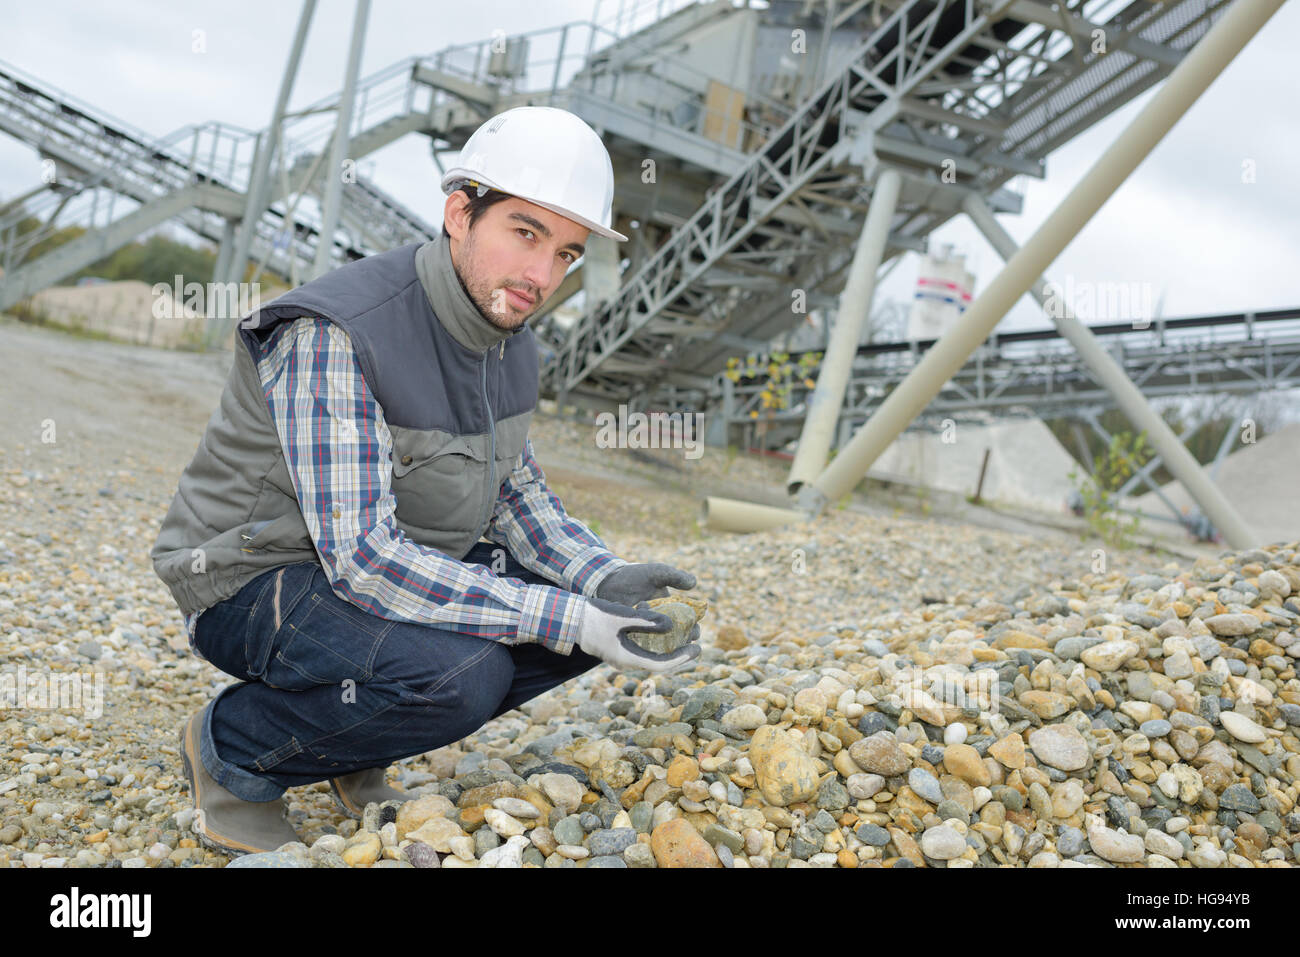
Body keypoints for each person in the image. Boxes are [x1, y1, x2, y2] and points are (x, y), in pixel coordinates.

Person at [150, 106, 702, 857]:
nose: (542, 276)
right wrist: (565, 615)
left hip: (365, 571)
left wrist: (602, 580)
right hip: (254, 574)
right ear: (458, 213)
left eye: (567, 253)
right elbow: (363, 558)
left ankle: (349, 739)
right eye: (525, 233)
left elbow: (517, 495)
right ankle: (234, 749)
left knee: (567, 621)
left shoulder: (507, 340)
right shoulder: (339, 332)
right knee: (469, 673)